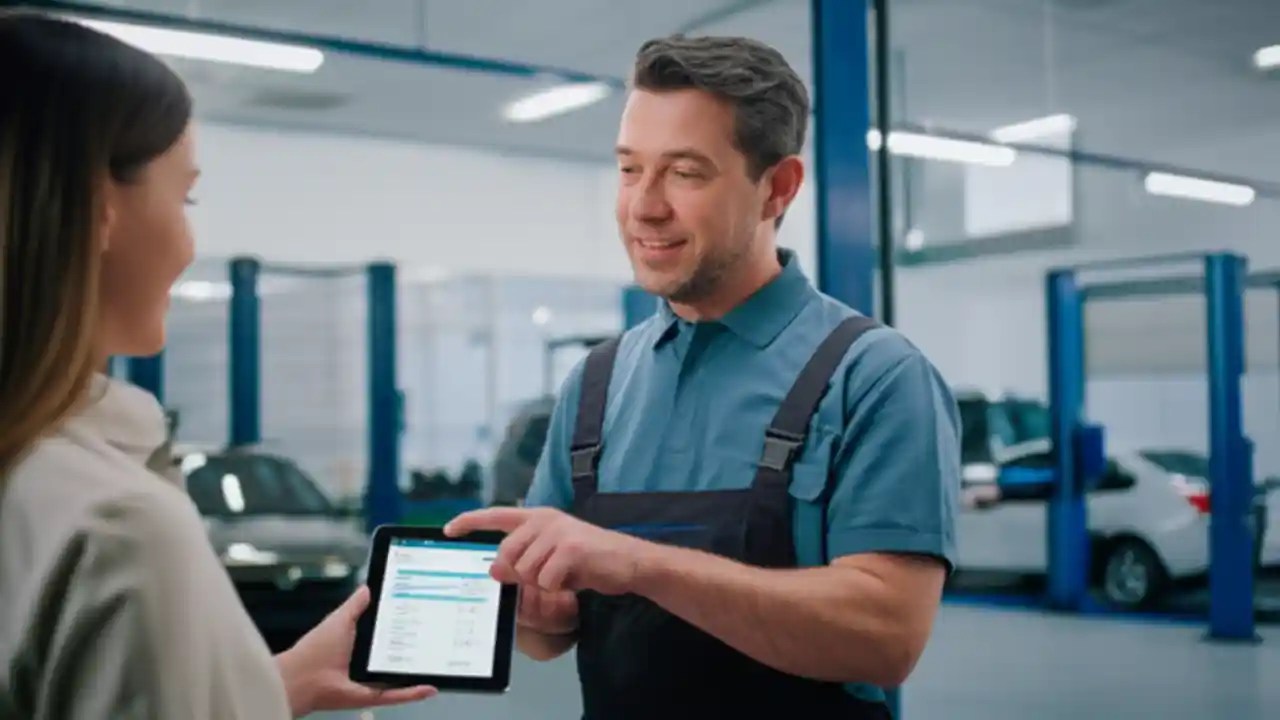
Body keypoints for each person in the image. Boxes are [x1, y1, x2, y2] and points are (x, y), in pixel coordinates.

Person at [445, 35, 960, 719]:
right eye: (630, 171)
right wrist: (539, 608)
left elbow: (884, 638)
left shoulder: (873, 377)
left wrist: (639, 565)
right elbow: (548, 638)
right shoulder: (596, 384)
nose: (644, 207)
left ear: (778, 188)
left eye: (685, 172)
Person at [0, 13, 435, 718]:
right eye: (184, 196)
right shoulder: (117, 527)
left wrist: (270, 684)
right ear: (100, 210)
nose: (189, 241)